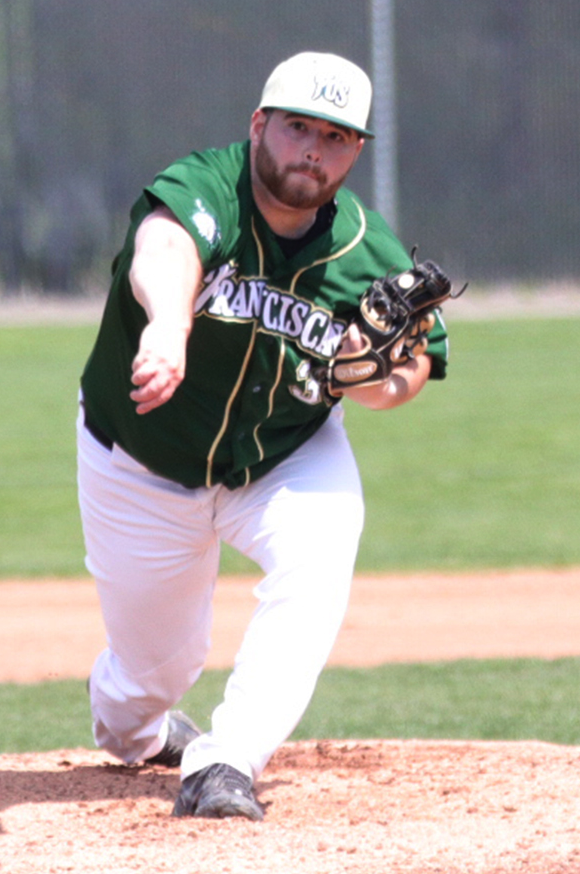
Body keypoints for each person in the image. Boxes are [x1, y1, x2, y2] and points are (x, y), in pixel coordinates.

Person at [75, 50, 449, 820]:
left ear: (356, 151)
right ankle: (140, 729)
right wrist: (171, 325)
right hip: (143, 460)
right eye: (298, 127)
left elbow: (416, 362)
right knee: (156, 671)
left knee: (320, 557)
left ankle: (225, 761)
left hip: (286, 454)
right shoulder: (207, 187)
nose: (314, 149)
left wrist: (376, 383)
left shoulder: (363, 249)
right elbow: (164, 247)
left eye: (337, 137)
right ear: (259, 126)